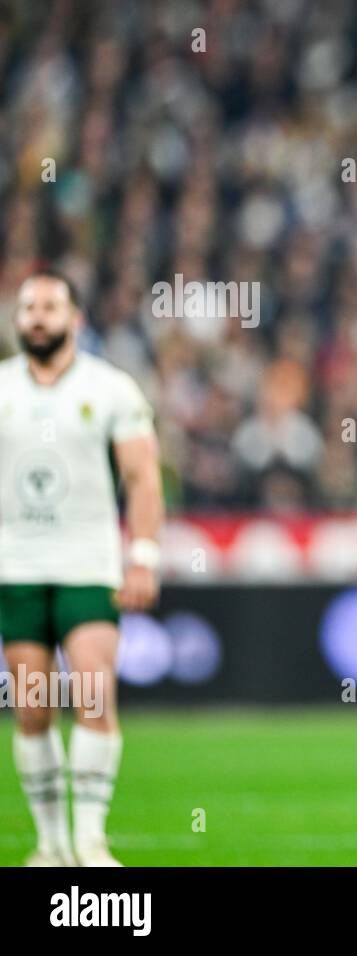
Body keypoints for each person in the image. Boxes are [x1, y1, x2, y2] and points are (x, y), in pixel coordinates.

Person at [0, 270, 163, 866]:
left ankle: (91, 842)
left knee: (93, 692)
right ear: (18, 321)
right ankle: (50, 845)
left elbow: (143, 477)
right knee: (33, 708)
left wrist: (142, 556)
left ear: (76, 319)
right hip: (16, 567)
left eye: (50, 306)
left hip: (88, 565)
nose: (37, 317)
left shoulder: (111, 388)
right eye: (28, 308)